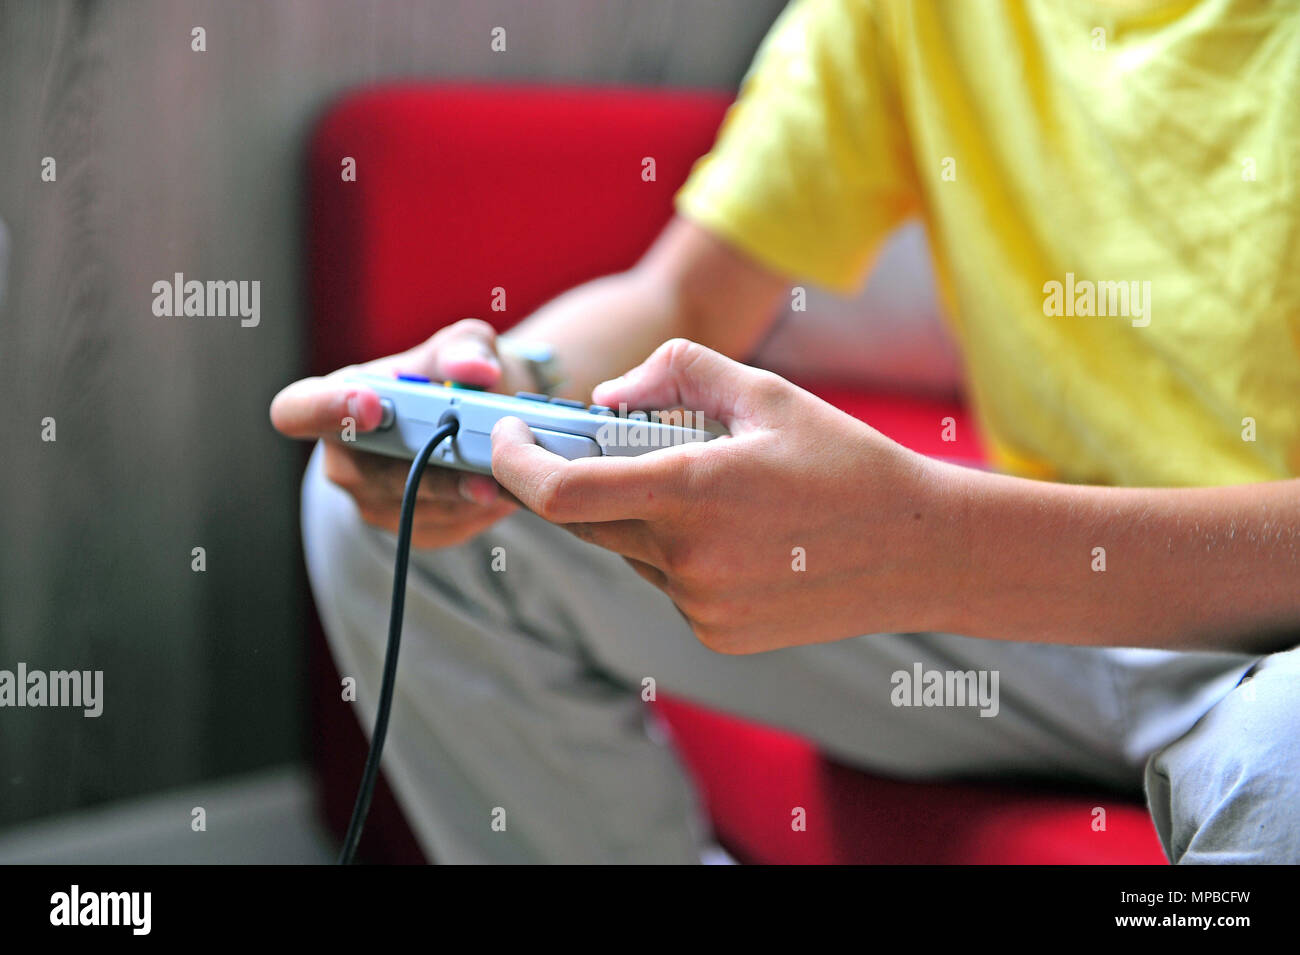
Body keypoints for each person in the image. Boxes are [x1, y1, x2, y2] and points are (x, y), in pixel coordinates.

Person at [271, 0, 1299, 863]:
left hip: (1269, 638)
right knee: (402, 501)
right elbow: (684, 295)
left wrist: (926, 545)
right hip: (1052, 615)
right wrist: (506, 382)